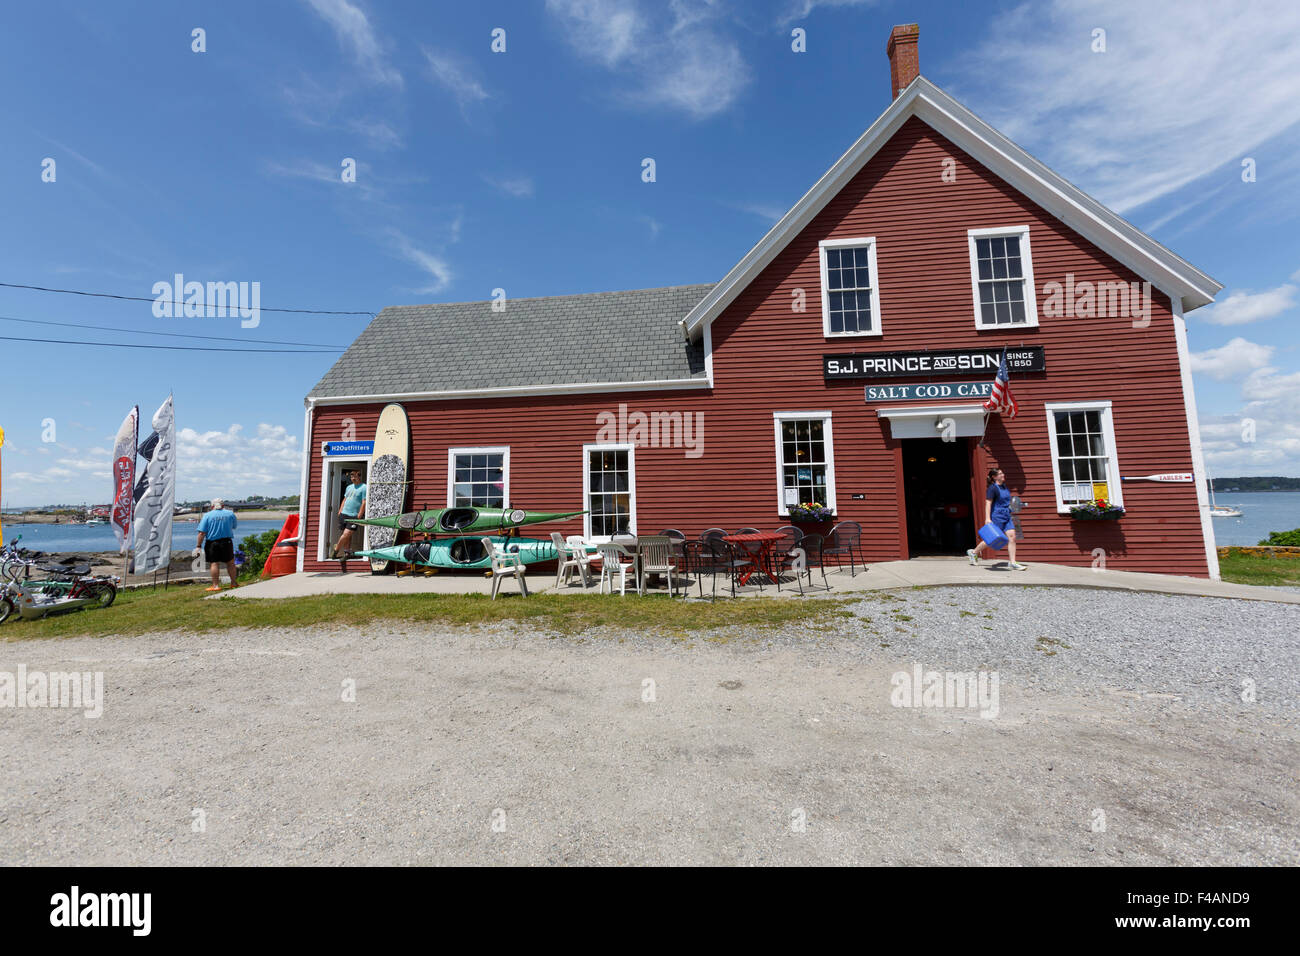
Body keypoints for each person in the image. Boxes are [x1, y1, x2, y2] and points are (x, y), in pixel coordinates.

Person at [967, 467, 1027, 571]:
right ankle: (974, 552)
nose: (1003, 475)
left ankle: (1012, 562)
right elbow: (988, 503)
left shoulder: (1004, 486)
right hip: (997, 516)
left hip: (1007, 515)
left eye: (1002, 473)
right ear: (994, 477)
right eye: (1000, 474)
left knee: (1012, 537)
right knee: (992, 539)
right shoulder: (992, 488)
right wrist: (987, 518)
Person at [197, 498, 239, 591]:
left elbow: (201, 533)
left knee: (214, 563)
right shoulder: (230, 514)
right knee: (230, 563)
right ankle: (234, 583)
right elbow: (234, 526)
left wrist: (198, 545)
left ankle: (216, 585)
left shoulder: (207, 515)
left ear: (212, 506)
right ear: (223, 506)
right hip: (227, 541)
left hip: (213, 543)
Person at [332, 468, 367, 558]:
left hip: (354, 515)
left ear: (359, 476)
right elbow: (345, 499)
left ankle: (336, 550)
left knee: (346, 534)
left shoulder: (364, 487)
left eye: (354, 476)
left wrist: (359, 515)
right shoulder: (349, 487)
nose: (353, 478)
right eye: (351, 476)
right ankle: (347, 553)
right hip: (344, 514)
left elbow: (364, 502)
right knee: (346, 535)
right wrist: (340, 511)